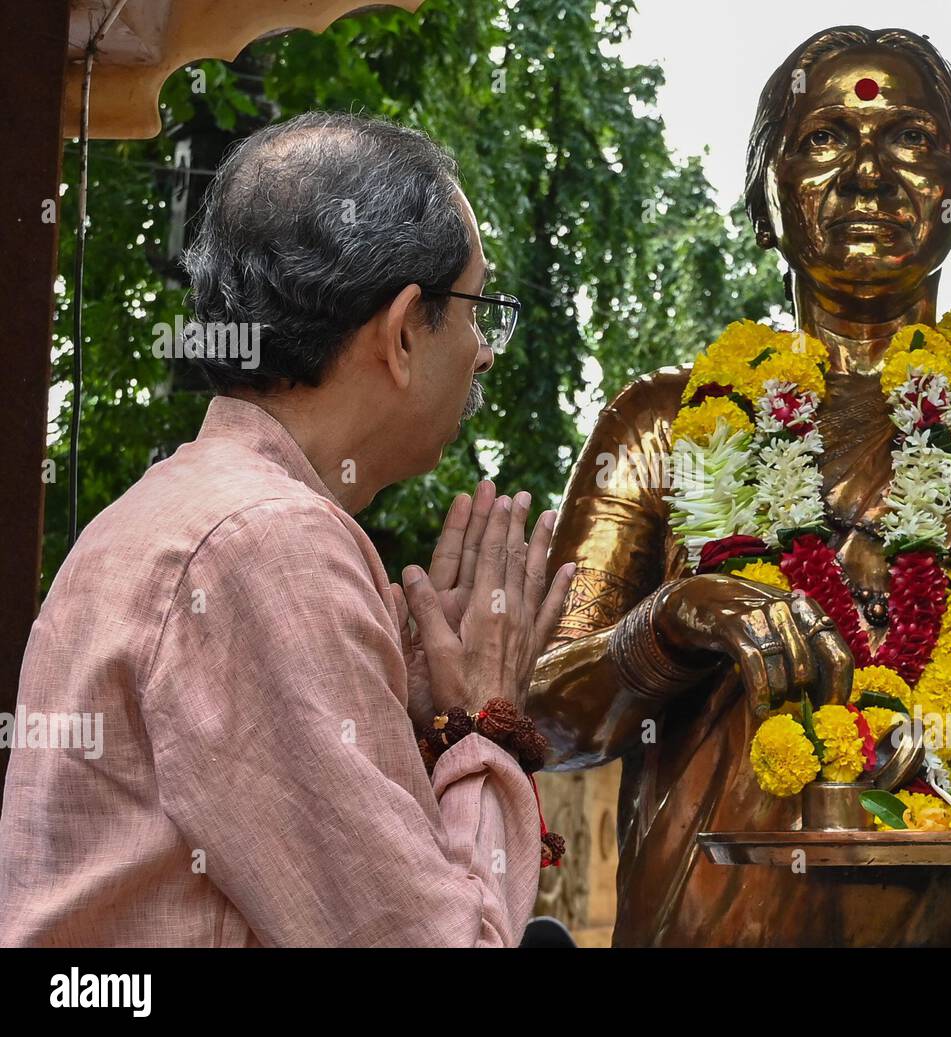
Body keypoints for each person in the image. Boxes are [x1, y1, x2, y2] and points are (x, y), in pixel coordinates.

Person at [527, 26, 951, 947]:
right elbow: (553, 719)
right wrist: (675, 620)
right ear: (765, 199)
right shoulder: (664, 422)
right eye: (821, 139)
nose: (866, 172)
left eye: (911, 139)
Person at [0, 112, 574, 947]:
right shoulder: (267, 546)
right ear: (406, 329)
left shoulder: (179, 511)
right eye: (479, 308)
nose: (485, 353)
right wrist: (483, 720)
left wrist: (409, 713)